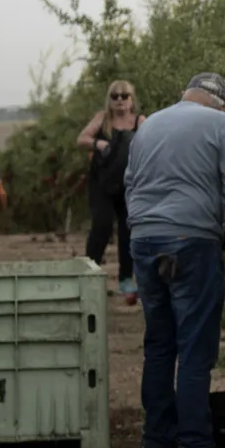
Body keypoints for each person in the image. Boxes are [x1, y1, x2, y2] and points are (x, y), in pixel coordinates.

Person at [124, 71, 225, 448]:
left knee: (160, 342)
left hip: (144, 239)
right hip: (190, 240)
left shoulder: (149, 125)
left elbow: (129, 184)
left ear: (186, 95)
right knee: (195, 344)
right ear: (221, 102)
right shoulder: (222, 125)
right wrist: (224, 235)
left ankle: (156, 440)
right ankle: (195, 447)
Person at [76, 80, 142, 304]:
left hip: (129, 185)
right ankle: (90, 275)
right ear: (109, 99)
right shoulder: (102, 119)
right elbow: (81, 139)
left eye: (125, 96)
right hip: (102, 183)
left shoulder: (140, 121)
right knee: (101, 226)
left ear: (132, 99)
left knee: (128, 231)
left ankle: (126, 279)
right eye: (115, 96)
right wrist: (98, 144)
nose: (120, 100)